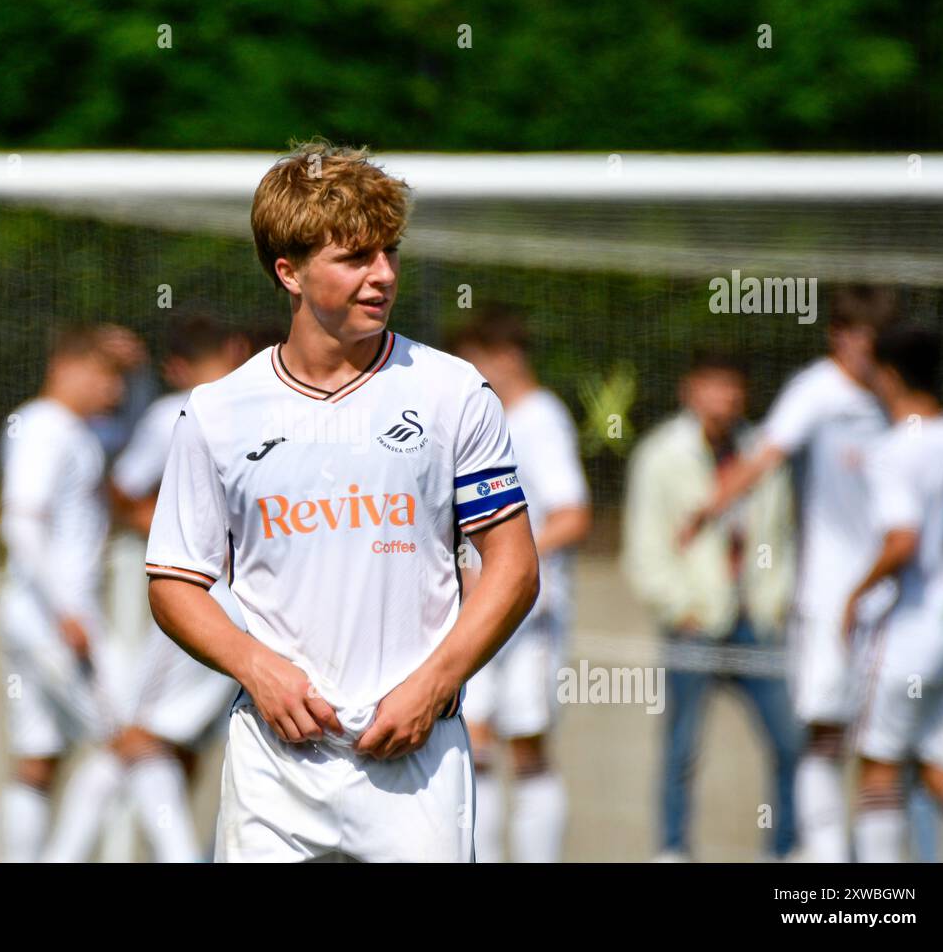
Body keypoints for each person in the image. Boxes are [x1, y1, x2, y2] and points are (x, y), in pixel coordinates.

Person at [145, 139, 540, 862]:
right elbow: (174, 581)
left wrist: (437, 682)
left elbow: (513, 565)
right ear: (288, 272)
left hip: (415, 761)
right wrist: (253, 666)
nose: (382, 275)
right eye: (355, 258)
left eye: (389, 253)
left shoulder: (453, 392)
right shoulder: (217, 412)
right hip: (275, 765)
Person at [682, 286, 898, 861]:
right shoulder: (815, 391)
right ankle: (824, 869)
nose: (863, 348)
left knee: (890, 743)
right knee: (823, 735)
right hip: (830, 599)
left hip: (895, 597)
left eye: (873, 337)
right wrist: (706, 512)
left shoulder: (892, 394)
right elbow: (762, 459)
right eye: (853, 334)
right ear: (838, 336)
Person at [624, 349, 800, 861]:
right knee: (682, 747)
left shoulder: (762, 451)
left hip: (755, 624)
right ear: (690, 390)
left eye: (732, 386)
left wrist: (774, 602)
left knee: (789, 741)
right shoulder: (660, 455)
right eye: (712, 385)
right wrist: (681, 608)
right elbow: (645, 547)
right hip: (694, 624)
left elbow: (782, 536)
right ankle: (673, 849)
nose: (723, 398)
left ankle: (784, 849)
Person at [105, 313, 252, 861]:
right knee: (186, 745)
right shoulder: (277, 403)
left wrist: (174, 536)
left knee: (134, 737)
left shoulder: (179, 409)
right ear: (237, 345)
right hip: (262, 607)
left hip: (202, 597)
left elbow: (121, 490)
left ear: (175, 367)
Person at [447, 311, 591, 862]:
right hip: (482, 611)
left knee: (527, 746)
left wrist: (506, 565)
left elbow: (572, 515)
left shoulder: (541, 418)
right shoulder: (491, 420)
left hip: (532, 614)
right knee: (473, 741)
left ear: (504, 355)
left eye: (475, 360)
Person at [0, 324, 128, 862]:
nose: (113, 389)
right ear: (66, 367)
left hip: (32, 616)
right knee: (129, 740)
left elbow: (136, 434)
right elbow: (22, 523)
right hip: (56, 618)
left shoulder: (71, 429)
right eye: (106, 374)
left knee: (37, 757)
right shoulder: (46, 427)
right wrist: (66, 609)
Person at [846, 325, 943, 861]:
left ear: (889, 376)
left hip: (915, 628)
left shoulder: (895, 448)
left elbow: (902, 539)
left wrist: (856, 593)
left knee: (878, 768)